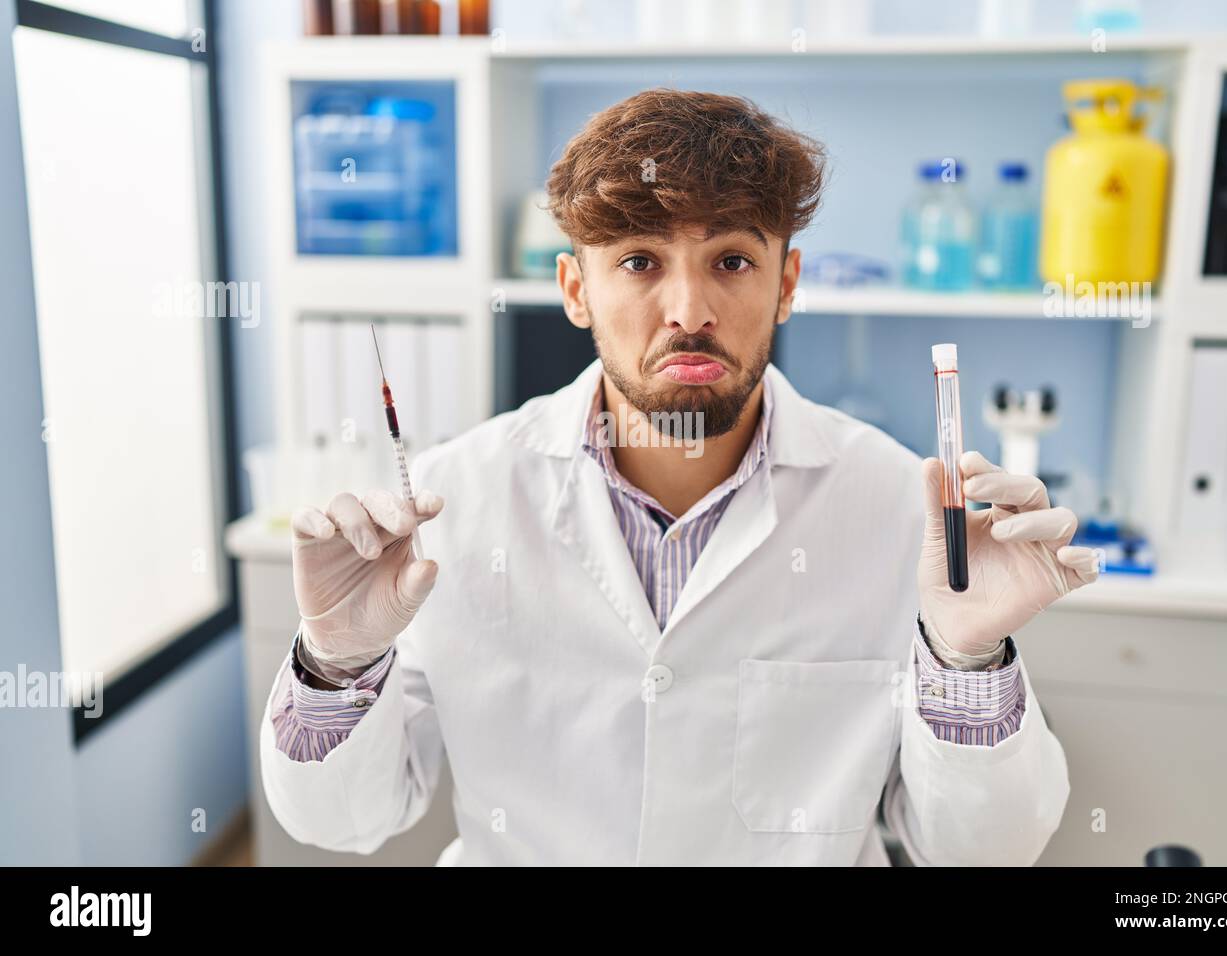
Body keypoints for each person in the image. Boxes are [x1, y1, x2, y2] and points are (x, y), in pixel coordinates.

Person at [261, 88, 1097, 866]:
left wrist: (968, 659)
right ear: (574, 289)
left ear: (786, 286)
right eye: (638, 262)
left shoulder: (896, 507)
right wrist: (336, 662)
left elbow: (984, 849)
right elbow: (342, 821)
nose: (689, 309)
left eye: (731, 261)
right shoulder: (455, 498)